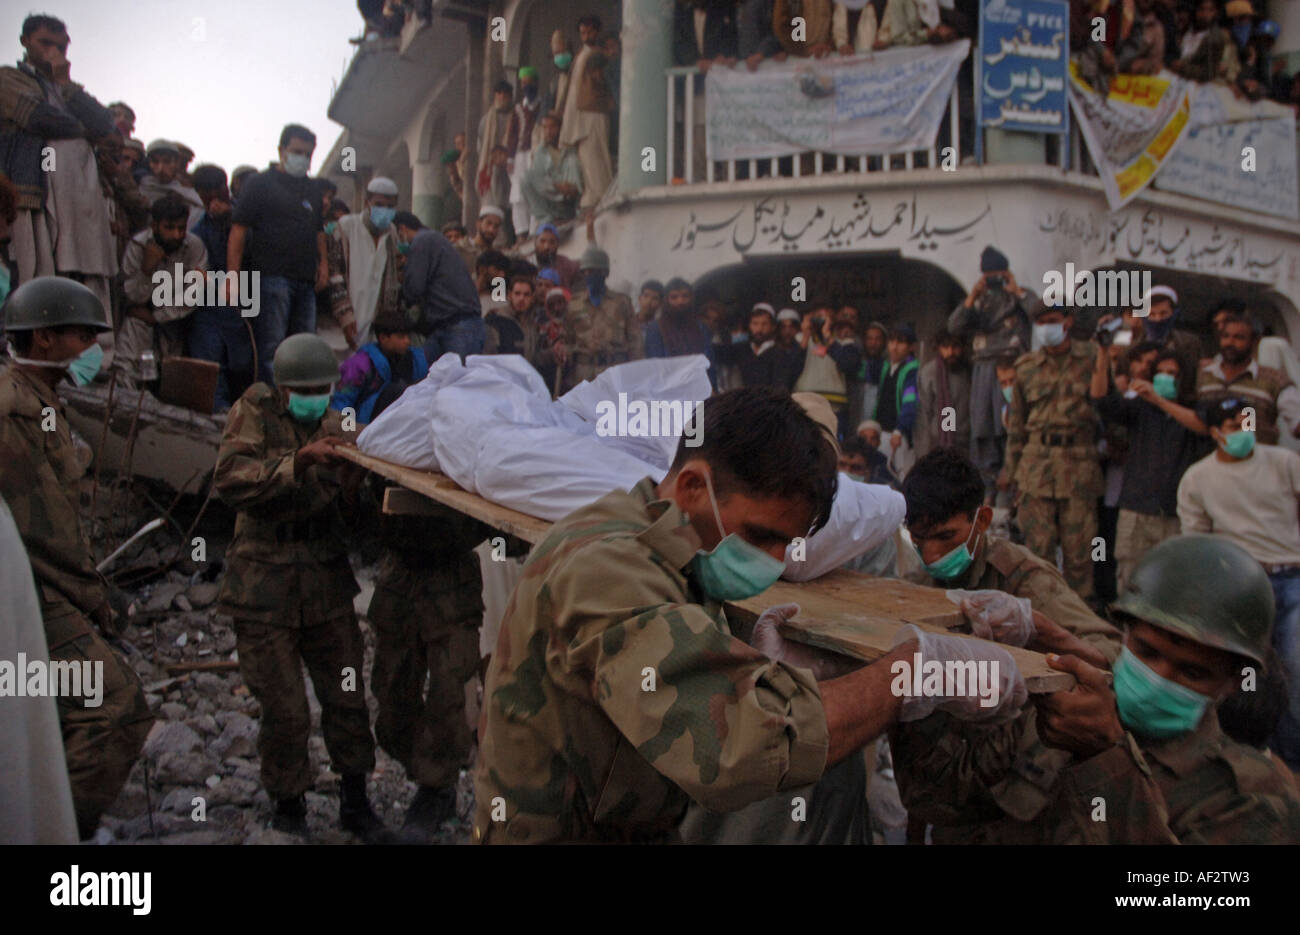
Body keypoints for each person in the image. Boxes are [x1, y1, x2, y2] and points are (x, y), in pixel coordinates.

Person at [472, 386, 1026, 843]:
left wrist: (756, 670)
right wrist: (915, 671)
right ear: (692, 486)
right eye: (761, 535)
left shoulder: (667, 543)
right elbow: (738, 748)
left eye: (787, 543)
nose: (776, 562)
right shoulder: (608, 566)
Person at [894, 534, 1300, 844]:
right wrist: (930, 688)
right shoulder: (1062, 716)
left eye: (1192, 672)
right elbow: (938, 797)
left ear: (1231, 681)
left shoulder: (1253, 799)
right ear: (1125, 635)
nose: (1159, 676)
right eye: (1146, 651)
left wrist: (1106, 757)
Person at [214, 333, 391, 842]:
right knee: (286, 708)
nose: (315, 396)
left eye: (322, 388)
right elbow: (231, 479)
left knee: (347, 697)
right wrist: (300, 463)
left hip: (324, 582)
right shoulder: (254, 411)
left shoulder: (337, 424)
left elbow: (355, 518)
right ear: (284, 388)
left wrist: (354, 484)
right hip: (262, 585)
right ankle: (288, 807)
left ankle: (356, 803)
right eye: (304, 388)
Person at [0, 276, 153, 840]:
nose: (92, 348)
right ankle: (55, 829)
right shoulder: (14, 408)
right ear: (44, 340)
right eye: (83, 336)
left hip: (39, 584)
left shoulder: (38, 400)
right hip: (31, 588)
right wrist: (94, 597)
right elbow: (46, 529)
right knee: (116, 708)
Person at [1178, 396, 1300, 771]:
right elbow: (1196, 544)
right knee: (1247, 679)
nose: (1245, 430)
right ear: (1215, 432)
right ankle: (1250, 760)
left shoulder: (1284, 462)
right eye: (1234, 424)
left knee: (1295, 673)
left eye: (1248, 421)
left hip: (1293, 577)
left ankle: (1291, 766)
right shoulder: (1198, 478)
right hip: (1242, 586)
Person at [1, 14, 117, 312]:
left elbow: (105, 124)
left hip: (74, 198)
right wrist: (85, 130)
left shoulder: (66, 88)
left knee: (75, 274)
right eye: (44, 43)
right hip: (29, 191)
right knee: (30, 275)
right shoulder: (8, 78)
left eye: (60, 46)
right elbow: (43, 118)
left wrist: (65, 83)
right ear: (25, 42)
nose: (52, 52)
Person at [1092, 345, 1206, 594]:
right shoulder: (1140, 409)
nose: (1166, 377)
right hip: (1136, 512)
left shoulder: (1194, 409)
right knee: (1130, 582)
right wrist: (1102, 354)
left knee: (1172, 587)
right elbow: (1102, 400)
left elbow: (1202, 426)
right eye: (1161, 372)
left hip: (1175, 516)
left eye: (1172, 373)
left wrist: (1161, 400)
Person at [228, 124, 327, 385]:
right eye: (297, 151)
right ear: (281, 151)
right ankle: (271, 411)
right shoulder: (259, 184)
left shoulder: (314, 189)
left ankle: (300, 410)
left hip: (305, 281)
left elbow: (319, 231)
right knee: (272, 350)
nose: (302, 158)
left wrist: (324, 265)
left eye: (308, 154)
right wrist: (232, 277)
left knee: (305, 351)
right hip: (271, 279)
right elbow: (238, 230)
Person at [948, 246, 1035, 503]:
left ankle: (1010, 485)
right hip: (983, 371)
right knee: (983, 429)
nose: (995, 282)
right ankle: (987, 489)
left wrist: (1016, 291)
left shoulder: (1019, 297)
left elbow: (1038, 313)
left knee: (1010, 427)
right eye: (990, 276)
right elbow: (954, 326)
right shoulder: (978, 302)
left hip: (1011, 367)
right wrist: (972, 295)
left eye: (998, 275)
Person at [117, 194, 208, 387]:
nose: (176, 235)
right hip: (140, 322)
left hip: (176, 322)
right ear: (155, 226)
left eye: (181, 228)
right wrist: (147, 269)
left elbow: (193, 295)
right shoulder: (137, 245)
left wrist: (157, 317)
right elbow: (132, 295)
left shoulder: (194, 246)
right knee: (128, 362)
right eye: (169, 228)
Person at [189, 165, 253, 411]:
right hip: (209, 309)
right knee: (210, 362)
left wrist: (230, 221)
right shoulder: (198, 228)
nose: (215, 202)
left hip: (245, 303)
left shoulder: (245, 219)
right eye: (208, 197)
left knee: (244, 365)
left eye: (219, 194)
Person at [1196, 311, 1300, 446]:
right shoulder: (1204, 375)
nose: (1230, 342)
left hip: (1256, 461)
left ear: (1254, 342)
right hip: (1212, 461)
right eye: (1225, 336)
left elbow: (1296, 421)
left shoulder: (1274, 380)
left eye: (1239, 337)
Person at [327, 176, 401, 349]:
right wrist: (344, 315)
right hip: (344, 322)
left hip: (373, 323)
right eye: (379, 204)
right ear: (367, 202)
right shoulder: (347, 226)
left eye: (390, 207)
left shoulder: (392, 234)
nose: (384, 210)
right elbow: (334, 272)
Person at [399, 214, 484, 362]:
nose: (452, 239)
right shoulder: (445, 246)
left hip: (465, 320)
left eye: (456, 236)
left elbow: (414, 288)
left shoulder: (488, 254)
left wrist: (498, 297)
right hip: (449, 322)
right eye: (449, 236)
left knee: (457, 379)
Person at [561, 245, 641, 392]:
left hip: (615, 372)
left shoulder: (622, 303)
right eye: (587, 271)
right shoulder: (574, 305)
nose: (590, 275)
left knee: (614, 413)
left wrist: (636, 375)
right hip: (583, 375)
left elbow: (635, 342)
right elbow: (567, 339)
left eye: (596, 271)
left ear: (605, 273)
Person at [330, 306, 426, 425]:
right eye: (401, 337)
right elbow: (344, 401)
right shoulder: (360, 364)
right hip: (367, 423)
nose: (407, 341)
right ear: (383, 338)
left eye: (408, 336)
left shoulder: (416, 360)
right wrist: (347, 430)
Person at [561, 14, 616, 213]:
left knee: (598, 156)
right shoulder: (580, 55)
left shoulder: (600, 56)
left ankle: (603, 197)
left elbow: (603, 81)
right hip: (578, 116)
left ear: (597, 32)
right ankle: (592, 199)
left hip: (594, 113)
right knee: (585, 158)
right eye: (583, 32)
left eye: (590, 32)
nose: (586, 36)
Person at [794, 305, 862, 435]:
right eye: (818, 317)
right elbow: (790, 369)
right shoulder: (799, 339)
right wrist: (805, 336)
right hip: (803, 405)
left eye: (827, 318)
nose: (822, 321)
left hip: (835, 408)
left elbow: (849, 365)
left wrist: (828, 338)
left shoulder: (844, 342)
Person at [1129, 285, 1201, 402]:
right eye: (1152, 314)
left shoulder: (1189, 343)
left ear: (1173, 314)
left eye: (1163, 313)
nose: (1158, 319)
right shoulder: (1133, 346)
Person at [644, 276, 714, 386]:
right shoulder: (656, 329)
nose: (680, 301)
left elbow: (709, 363)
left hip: (698, 388)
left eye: (685, 296)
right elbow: (656, 366)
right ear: (666, 300)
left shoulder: (700, 327)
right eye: (674, 297)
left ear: (691, 298)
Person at [714, 302, 802, 389]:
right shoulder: (741, 349)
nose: (759, 329)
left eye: (764, 324)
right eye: (755, 324)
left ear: (773, 327)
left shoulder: (780, 355)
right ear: (750, 325)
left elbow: (780, 389)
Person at [914, 328, 971, 458]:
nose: (950, 352)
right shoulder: (929, 373)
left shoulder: (970, 372)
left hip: (966, 445)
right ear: (939, 348)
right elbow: (923, 417)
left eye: (955, 346)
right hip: (938, 444)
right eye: (945, 347)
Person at [520, 113, 582, 229]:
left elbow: (575, 187)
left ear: (560, 128)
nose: (548, 131)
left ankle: (563, 214)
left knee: (571, 162)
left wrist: (566, 189)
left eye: (552, 127)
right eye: (545, 127)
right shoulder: (540, 152)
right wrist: (557, 187)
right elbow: (539, 182)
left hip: (568, 203)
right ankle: (546, 219)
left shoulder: (570, 151)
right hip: (550, 202)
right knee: (526, 177)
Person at [873, 323, 919, 461]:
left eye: (900, 342)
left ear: (911, 347)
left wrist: (900, 430)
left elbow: (910, 402)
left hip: (898, 434)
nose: (894, 346)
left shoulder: (912, 370)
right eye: (892, 341)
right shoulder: (886, 366)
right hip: (881, 430)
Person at [508, 66, 543, 239]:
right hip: (520, 155)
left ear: (536, 83)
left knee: (536, 190)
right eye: (523, 83)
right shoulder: (517, 109)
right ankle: (521, 232)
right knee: (518, 194)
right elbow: (512, 135)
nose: (526, 86)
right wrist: (509, 158)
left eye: (529, 83)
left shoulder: (543, 105)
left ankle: (533, 232)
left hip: (538, 153)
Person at [138, 139, 204, 227]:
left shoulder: (187, 194)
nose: (161, 168)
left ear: (176, 163)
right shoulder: (140, 186)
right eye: (155, 162)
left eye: (167, 162)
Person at [484, 275, 536, 358]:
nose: (521, 298)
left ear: (532, 298)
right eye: (517, 293)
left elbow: (533, 358)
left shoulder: (532, 324)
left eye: (526, 295)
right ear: (509, 295)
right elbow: (489, 355)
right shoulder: (496, 320)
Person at [531, 221, 579, 289]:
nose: (547, 246)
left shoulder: (566, 265)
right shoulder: (527, 267)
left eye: (552, 242)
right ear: (535, 242)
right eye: (542, 241)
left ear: (557, 245)